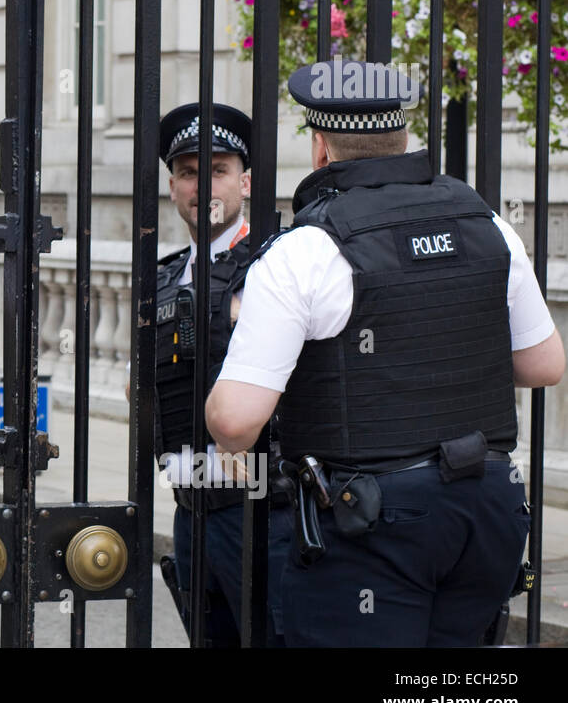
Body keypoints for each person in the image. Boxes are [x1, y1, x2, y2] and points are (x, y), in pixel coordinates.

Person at [206, 60, 566, 647]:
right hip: (486, 510)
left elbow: (237, 421)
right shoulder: (489, 224)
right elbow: (545, 364)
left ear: (320, 148)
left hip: (370, 522)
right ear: (403, 137)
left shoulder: (307, 250)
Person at [132, 102, 290, 647]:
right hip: (190, 507)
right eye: (189, 173)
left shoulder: (277, 263)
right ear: (173, 187)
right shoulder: (163, 277)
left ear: (245, 182)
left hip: (264, 515)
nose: (203, 185)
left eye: (217, 170)